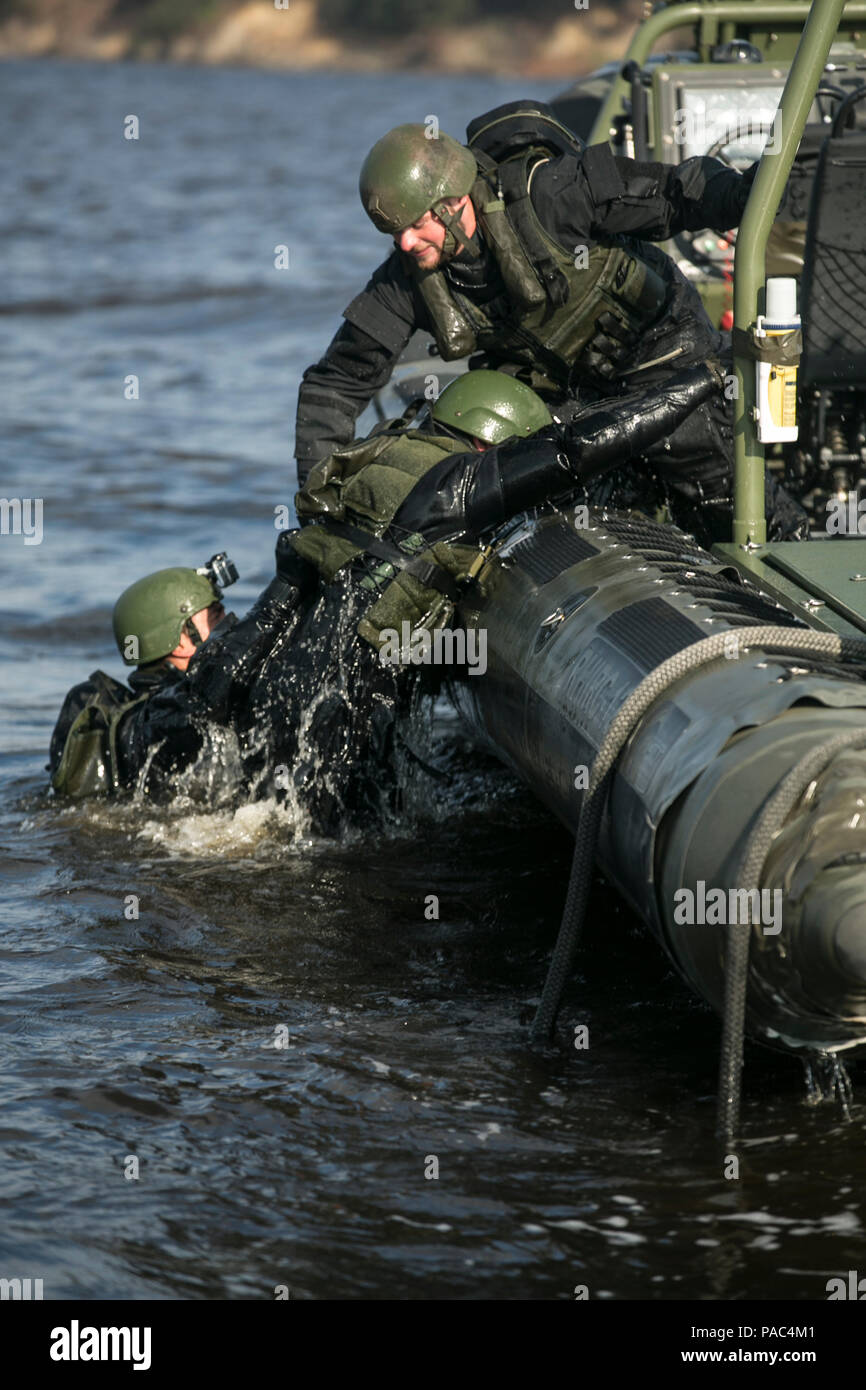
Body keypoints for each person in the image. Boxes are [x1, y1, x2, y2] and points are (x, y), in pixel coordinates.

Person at [258, 360, 726, 833]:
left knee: (279, 805)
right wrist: (697, 382)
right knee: (331, 831)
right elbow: (574, 450)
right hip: (350, 686)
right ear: (489, 444)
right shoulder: (463, 484)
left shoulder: (391, 451)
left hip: (299, 660)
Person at [294, 100, 772, 538]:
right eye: (395, 231)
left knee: (722, 496)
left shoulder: (552, 194)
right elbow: (334, 385)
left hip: (666, 361)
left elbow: (675, 193)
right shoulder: (405, 281)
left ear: (454, 202)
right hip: (569, 403)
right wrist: (319, 501)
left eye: (417, 224)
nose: (404, 243)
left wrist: (745, 193)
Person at [49, 555, 304, 801]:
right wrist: (285, 587)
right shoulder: (155, 717)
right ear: (181, 641)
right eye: (216, 616)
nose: (230, 623)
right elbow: (201, 701)